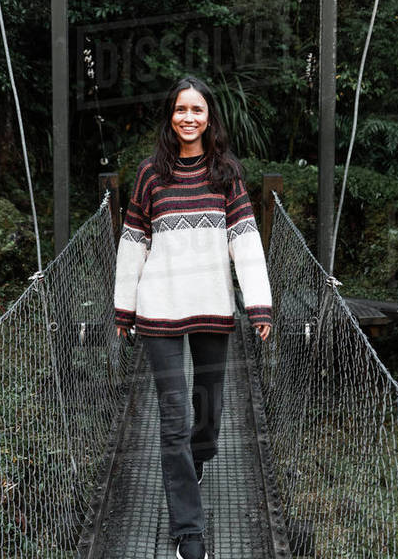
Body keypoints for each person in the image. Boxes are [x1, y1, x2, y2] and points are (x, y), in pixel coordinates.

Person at [113, 76, 273, 559]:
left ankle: (200, 456)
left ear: (210, 118)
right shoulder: (149, 175)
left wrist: (259, 304)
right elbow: (132, 243)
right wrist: (124, 309)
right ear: (170, 116)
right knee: (174, 419)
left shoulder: (227, 171)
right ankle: (189, 530)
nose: (188, 118)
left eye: (197, 110)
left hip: (211, 305)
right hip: (159, 307)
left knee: (210, 409)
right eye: (181, 110)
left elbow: (244, 238)